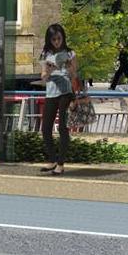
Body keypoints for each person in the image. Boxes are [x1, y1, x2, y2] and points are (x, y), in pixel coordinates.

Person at [39, 23, 78, 176]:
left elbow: (74, 76)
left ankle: (60, 164)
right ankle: (52, 160)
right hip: (51, 93)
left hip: (66, 93)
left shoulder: (70, 53)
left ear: (63, 38)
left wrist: (69, 66)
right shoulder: (45, 54)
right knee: (45, 129)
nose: (56, 42)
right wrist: (48, 71)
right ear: (49, 40)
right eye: (53, 39)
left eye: (59, 39)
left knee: (63, 128)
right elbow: (43, 78)